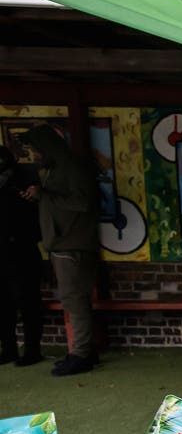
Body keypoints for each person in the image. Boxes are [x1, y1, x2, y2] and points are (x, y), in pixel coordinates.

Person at [18, 124, 102, 376]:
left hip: (72, 247)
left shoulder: (71, 168)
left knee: (74, 301)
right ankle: (82, 351)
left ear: (48, 147)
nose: (34, 155)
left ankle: (81, 354)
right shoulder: (58, 169)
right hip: (65, 246)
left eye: (36, 149)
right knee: (73, 301)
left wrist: (44, 195)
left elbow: (83, 202)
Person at [0, 145, 45, 366]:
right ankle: (9, 350)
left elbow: (36, 211)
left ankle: (31, 351)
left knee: (28, 303)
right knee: (6, 305)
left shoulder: (26, 179)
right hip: (12, 249)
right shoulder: (24, 176)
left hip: (21, 249)